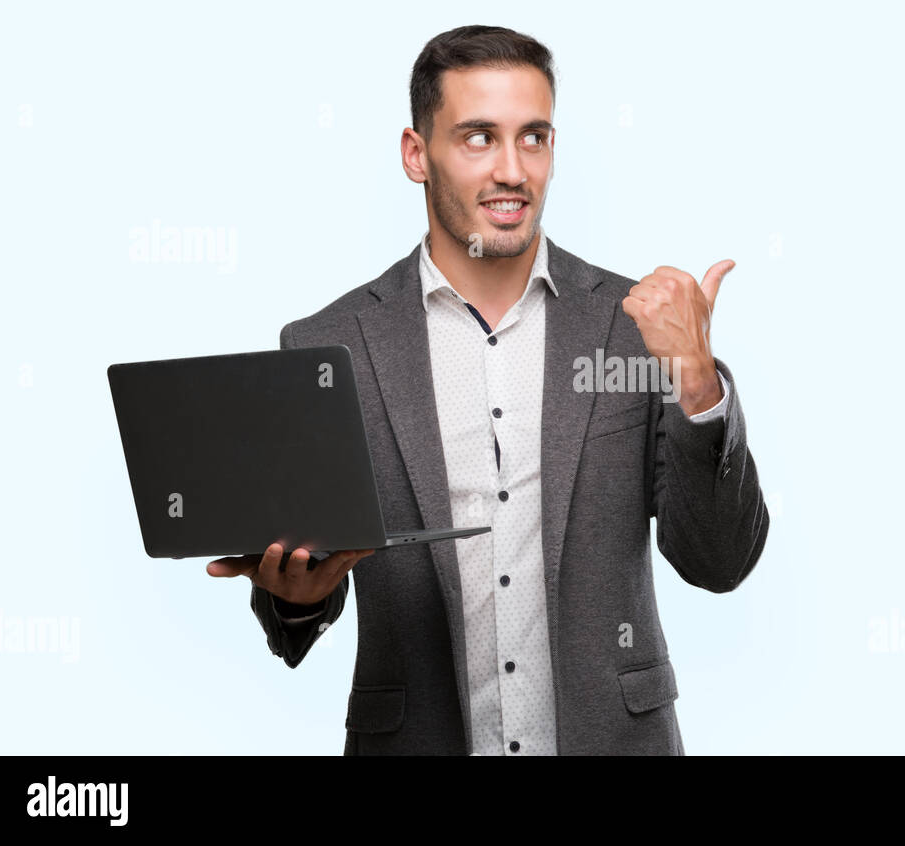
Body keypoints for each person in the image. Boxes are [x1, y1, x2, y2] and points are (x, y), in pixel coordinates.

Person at [206, 24, 769, 755]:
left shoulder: (634, 326)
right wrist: (294, 598)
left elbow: (720, 562)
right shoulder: (328, 345)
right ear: (417, 155)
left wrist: (696, 378)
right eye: (478, 138)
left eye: (534, 137)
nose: (513, 170)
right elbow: (302, 587)